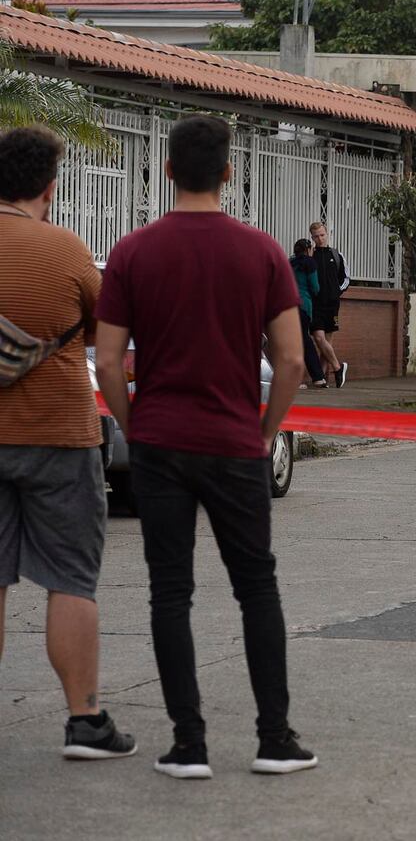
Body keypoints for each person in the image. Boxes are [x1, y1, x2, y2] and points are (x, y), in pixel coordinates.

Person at [95, 114, 314, 780]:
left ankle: (188, 744)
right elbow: (293, 361)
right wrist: (267, 429)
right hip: (233, 442)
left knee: (170, 592)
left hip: (160, 440)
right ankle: (273, 738)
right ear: (229, 172)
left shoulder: (132, 252)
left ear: (166, 172)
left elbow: (107, 363)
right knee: (257, 587)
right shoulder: (262, 254)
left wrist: (136, 427)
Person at [0, 125, 136, 762]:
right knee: (71, 582)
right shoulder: (64, 248)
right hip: (59, 433)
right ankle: (85, 722)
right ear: (49, 187)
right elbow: (107, 332)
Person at [308, 221, 349, 388]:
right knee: (318, 338)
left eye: (322, 235)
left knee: (327, 342)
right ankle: (338, 367)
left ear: (327, 234)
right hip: (315, 304)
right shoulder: (310, 256)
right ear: (312, 237)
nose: (320, 239)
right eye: (316, 236)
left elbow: (346, 279)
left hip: (332, 304)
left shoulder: (337, 255)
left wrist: (336, 292)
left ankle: (321, 379)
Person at [290, 239, 327, 388]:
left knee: (296, 342)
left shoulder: (289, 262)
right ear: (308, 250)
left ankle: (313, 377)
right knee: (304, 341)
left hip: (287, 306)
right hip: (303, 305)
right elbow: (315, 287)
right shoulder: (310, 263)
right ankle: (315, 377)